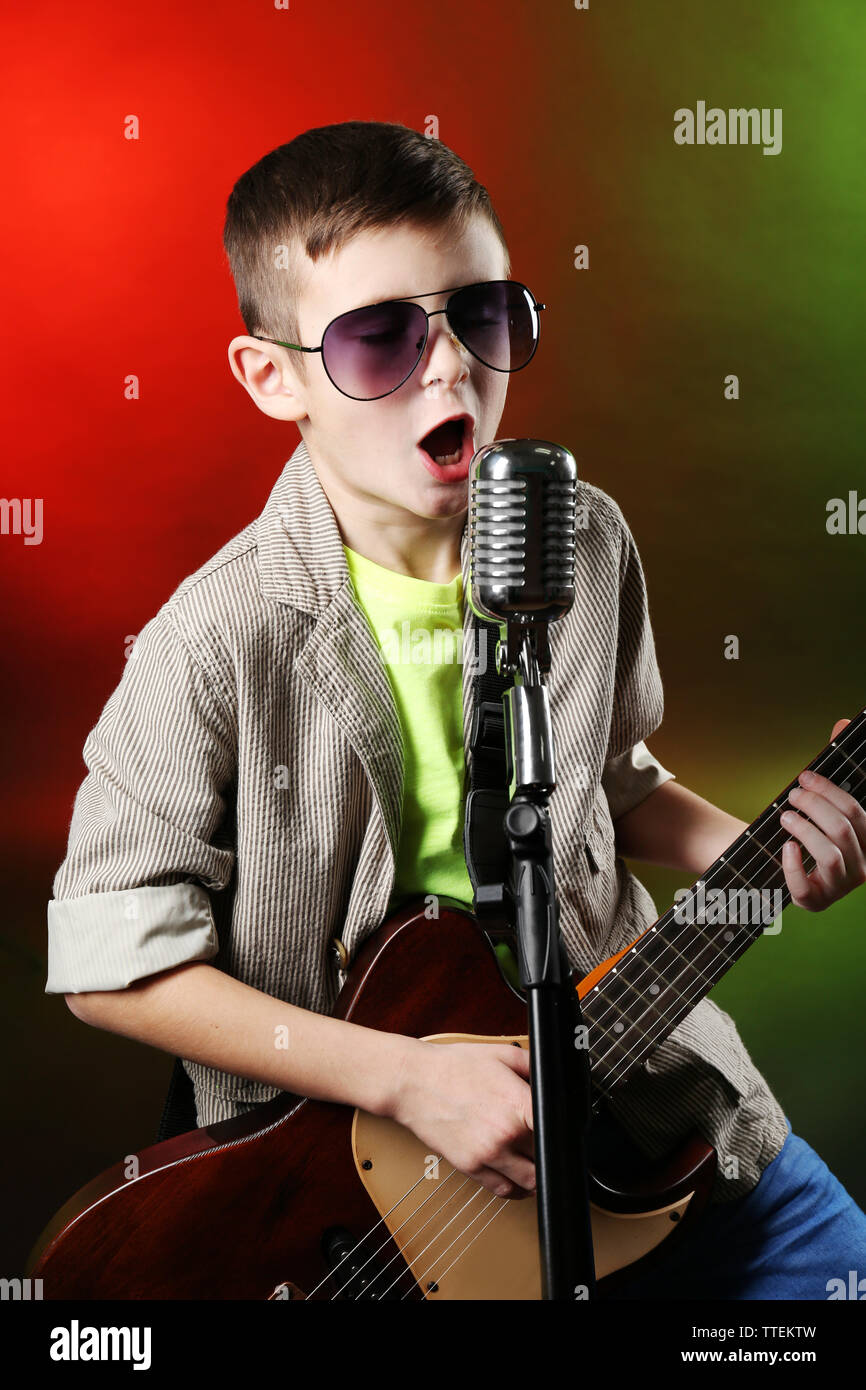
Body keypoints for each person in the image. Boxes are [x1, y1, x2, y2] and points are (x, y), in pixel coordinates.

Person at [45, 120, 866, 1299]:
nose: (447, 370)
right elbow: (106, 959)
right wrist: (399, 1078)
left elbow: (611, 782)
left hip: (626, 1088)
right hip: (357, 1192)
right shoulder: (211, 640)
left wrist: (769, 849)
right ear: (271, 376)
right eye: (379, 338)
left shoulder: (578, 536)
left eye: (481, 317)